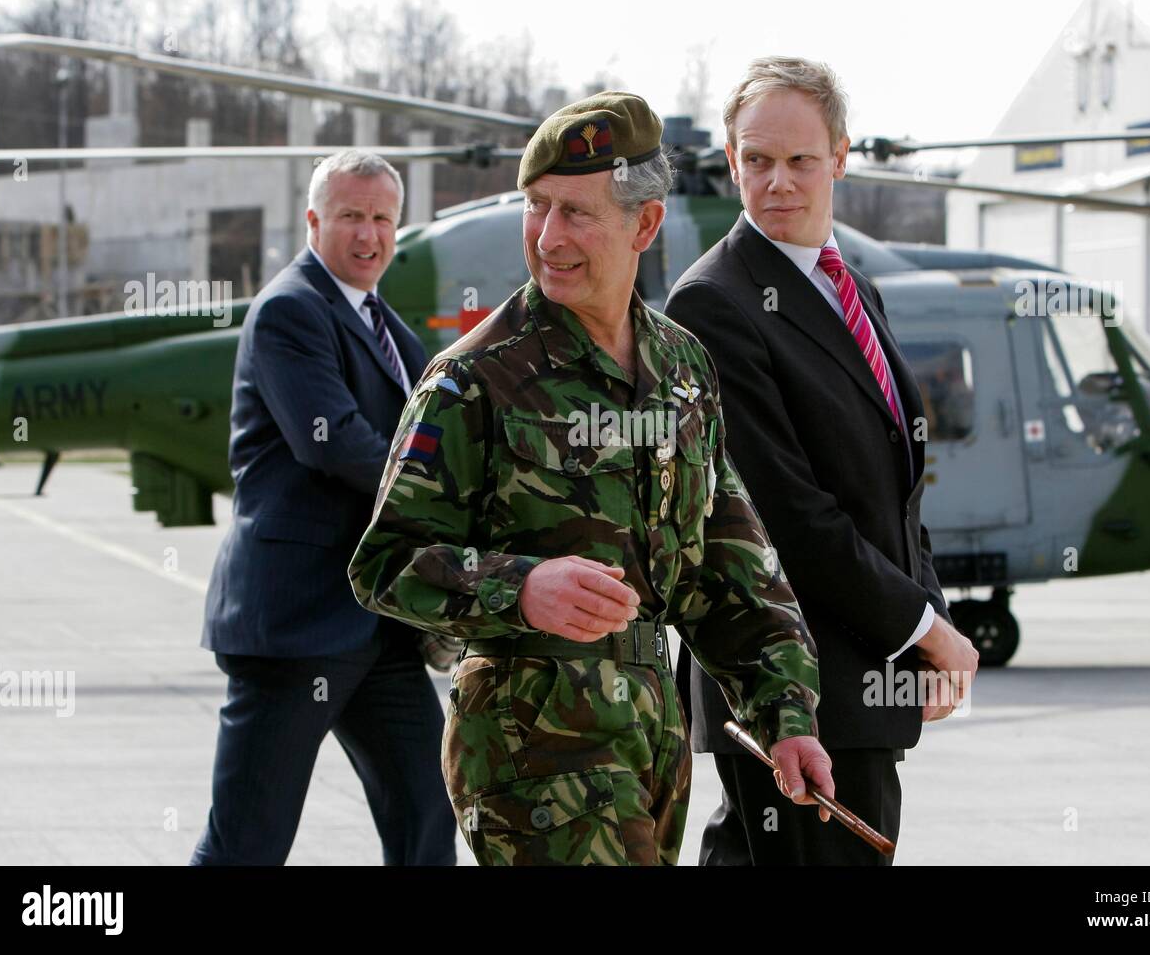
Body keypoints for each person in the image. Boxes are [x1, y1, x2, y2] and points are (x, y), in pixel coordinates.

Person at [348, 92, 832, 866]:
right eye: (536, 207)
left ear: (644, 224)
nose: (547, 236)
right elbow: (385, 564)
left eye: (576, 213)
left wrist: (788, 714)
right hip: (530, 752)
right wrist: (521, 588)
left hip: (649, 745)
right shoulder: (474, 379)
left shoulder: (681, 369)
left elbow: (729, 561)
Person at [665, 57, 979, 866]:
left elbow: (894, 488)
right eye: (756, 160)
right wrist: (924, 628)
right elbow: (789, 517)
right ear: (732, 162)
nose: (777, 182)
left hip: (856, 689)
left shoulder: (851, 291)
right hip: (790, 694)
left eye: (801, 160)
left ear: (840, 156)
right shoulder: (715, 302)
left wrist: (930, 622)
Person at [192, 149, 455, 865]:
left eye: (382, 219)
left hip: (378, 627)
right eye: (349, 216)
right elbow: (334, 442)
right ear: (313, 220)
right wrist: (444, 500)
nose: (368, 235)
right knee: (247, 844)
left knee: (428, 814)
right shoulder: (290, 310)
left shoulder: (384, 325)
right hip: (297, 625)